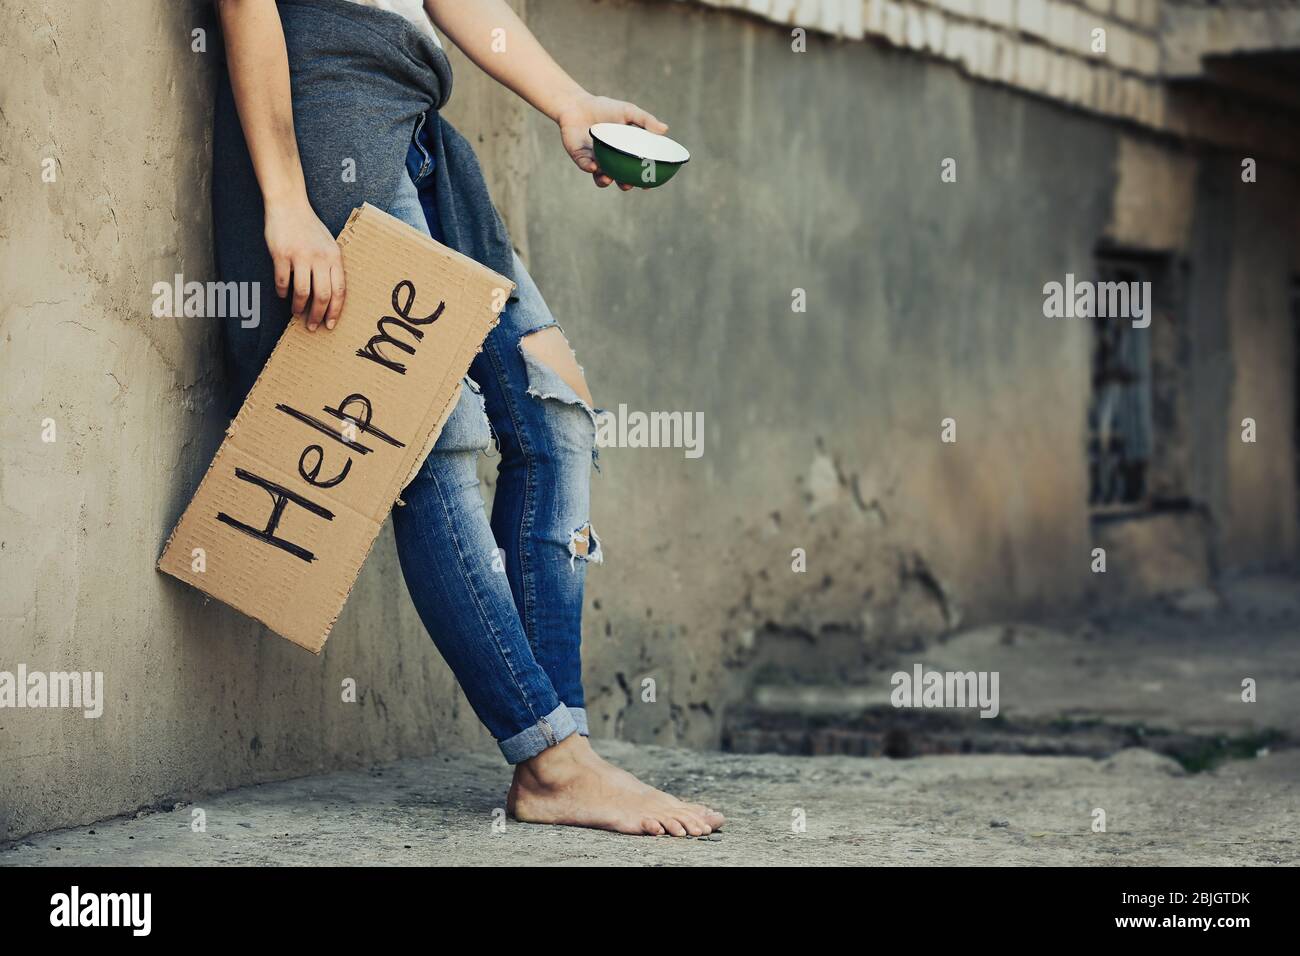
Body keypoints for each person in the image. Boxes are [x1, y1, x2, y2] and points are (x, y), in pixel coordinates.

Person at [213, 0, 723, 837]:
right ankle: (551, 761)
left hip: (412, 116)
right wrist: (285, 198)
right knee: (427, 435)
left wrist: (568, 101)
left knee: (555, 413)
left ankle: (567, 754)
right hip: (325, 113)